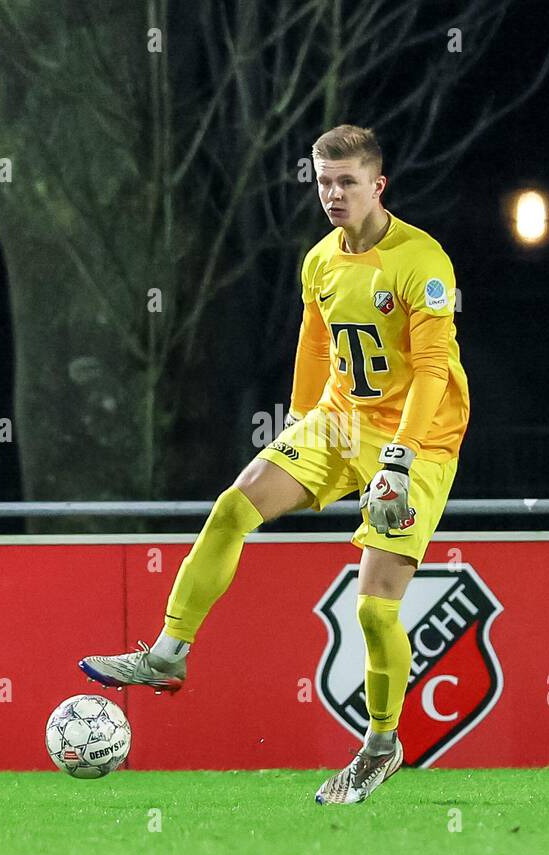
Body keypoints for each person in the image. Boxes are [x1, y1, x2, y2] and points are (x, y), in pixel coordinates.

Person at [79, 124, 470, 805]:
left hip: (421, 439)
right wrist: (299, 422)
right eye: (324, 182)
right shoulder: (319, 260)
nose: (333, 195)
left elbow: (433, 369)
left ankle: (381, 747)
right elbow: (315, 343)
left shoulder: (422, 261)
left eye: (347, 182)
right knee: (235, 505)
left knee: (374, 609)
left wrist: (399, 461)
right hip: (339, 422)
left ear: (378, 185)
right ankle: (169, 652)